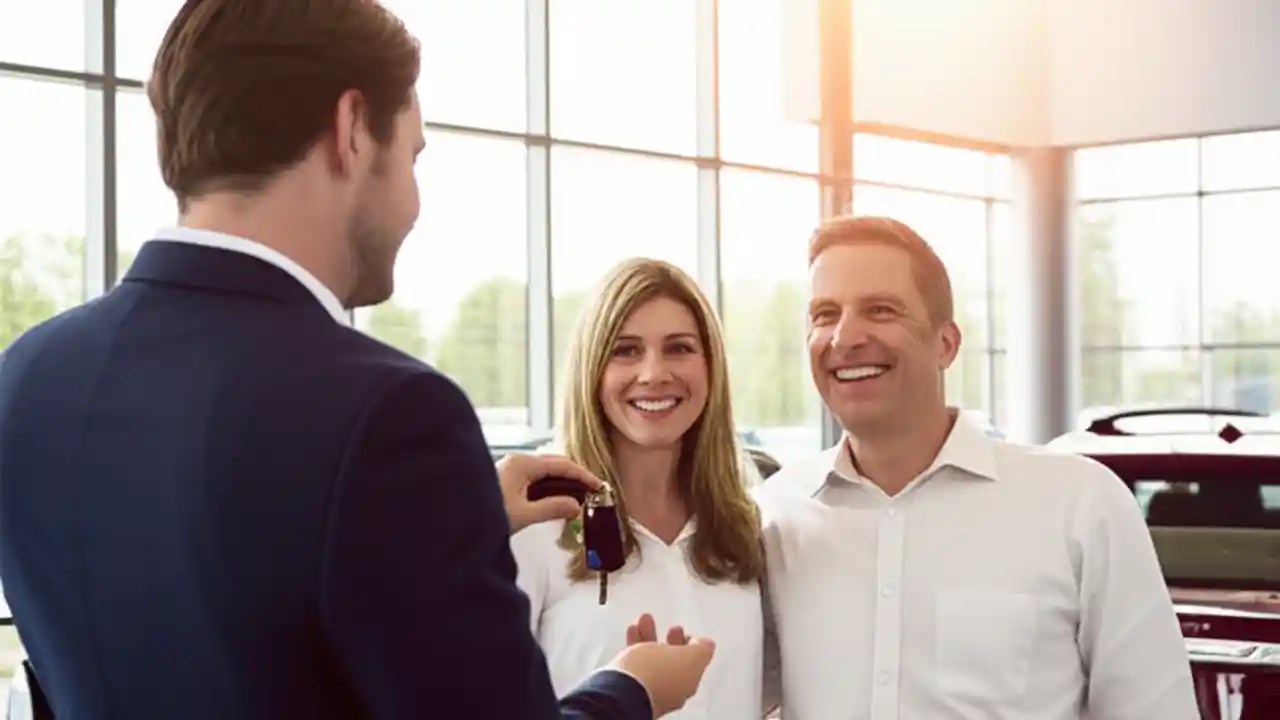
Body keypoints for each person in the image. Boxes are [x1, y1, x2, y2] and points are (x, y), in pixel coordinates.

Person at [0, 1, 714, 718]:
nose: (412, 202)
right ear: (350, 130)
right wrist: (633, 688)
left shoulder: (28, 378)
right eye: (412, 155)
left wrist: (448, 526)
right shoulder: (388, 415)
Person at [753, 216, 1198, 718]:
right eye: (824, 314)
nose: (844, 337)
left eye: (880, 310)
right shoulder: (774, 515)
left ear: (946, 344)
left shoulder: (1079, 504)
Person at [511, 258, 766, 720]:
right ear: (592, 369)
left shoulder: (747, 523)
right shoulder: (535, 526)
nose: (653, 374)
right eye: (626, 351)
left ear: (710, 367)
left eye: (679, 348)